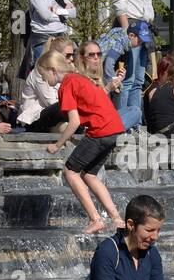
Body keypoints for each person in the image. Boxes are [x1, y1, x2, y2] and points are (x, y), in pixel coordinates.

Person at [40, 49, 127, 234]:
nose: (42, 79)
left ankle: (96, 219)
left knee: (70, 171)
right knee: (89, 175)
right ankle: (117, 218)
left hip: (100, 129)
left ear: (53, 70)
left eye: (43, 74)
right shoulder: (80, 78)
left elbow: (74, 121)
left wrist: (57, 145)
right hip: (114, 128)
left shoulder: (67, 85)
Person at [101, 21, 153, 130]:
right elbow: (108, 64)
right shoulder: (122, 41)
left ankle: (134, 125)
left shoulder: (128, 40)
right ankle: (121, 124)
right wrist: (114, 82)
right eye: (139, 40)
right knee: (123, 86)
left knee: (132, 84)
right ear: (131, 36)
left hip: (105, 72)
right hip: (98, 74)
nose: (141, 43)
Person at [17, 37, 75, 133]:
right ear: (56, 54)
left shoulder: (65, 71)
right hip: (34, 120)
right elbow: (51, 102)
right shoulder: (41, 71)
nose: (72, 59)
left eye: (72, 55)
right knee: (61, 106)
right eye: (68, 55)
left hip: (54, 118)